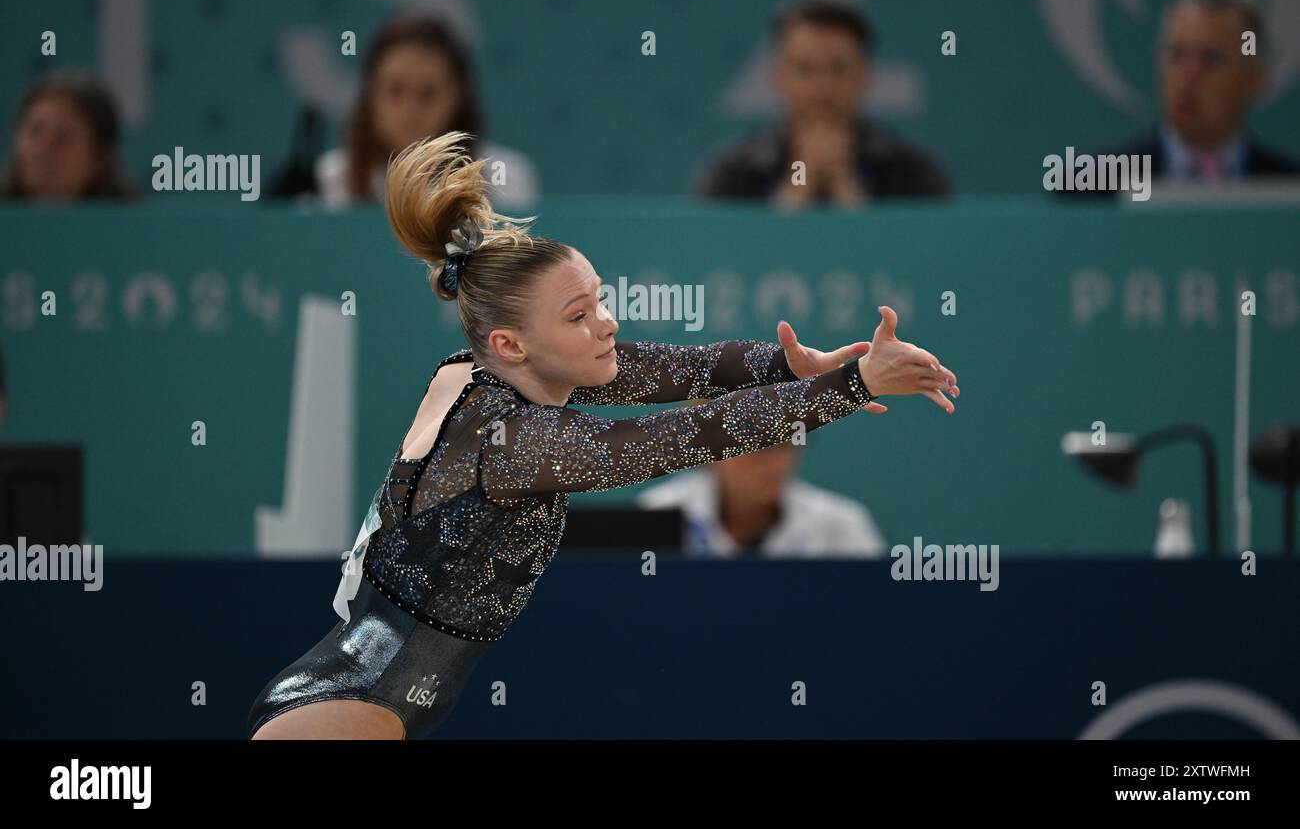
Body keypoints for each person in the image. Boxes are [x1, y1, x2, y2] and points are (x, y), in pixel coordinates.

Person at [247, 131, 959, 739]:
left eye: (602, 301)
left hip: (364, 699)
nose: (607, 324)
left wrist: (789, 363)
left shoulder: (480, 370)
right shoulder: (512, 443)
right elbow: (683, 437)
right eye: (580, 314)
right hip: (347, 708)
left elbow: (672, 370)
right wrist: (852, 389)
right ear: (513, 342)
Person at [693, 0, 949, 208]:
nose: (822, 86)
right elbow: (724, 257)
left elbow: (927, 257)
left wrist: (848, 192)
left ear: (864, 74)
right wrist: (798, 187)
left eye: (838, 69)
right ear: (779, 75)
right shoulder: (733, 174)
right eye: (805, 69)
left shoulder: (914, 173)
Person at [313, 14, 539, 211]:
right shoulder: (328, 179)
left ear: (458, 95)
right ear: (371, 91)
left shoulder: (506, 178)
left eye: (428, 93)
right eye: (395, 90)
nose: (411, 109)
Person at [1091, 0, 1300, 191]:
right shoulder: (1096, 185)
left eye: (1211, 58)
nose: (1188, 75)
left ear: (1255, 78)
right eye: (1177, 54)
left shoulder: (1289, 192)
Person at [636, 439, 886, 558]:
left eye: (788, 443)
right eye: (759, 445)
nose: (778, 462)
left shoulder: (841, 525)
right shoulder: (655, 514)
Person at [0, 71, 140, 203]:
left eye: (63, 137)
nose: (43, 148)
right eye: (34, 131)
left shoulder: (136, 225)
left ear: (99, 156)